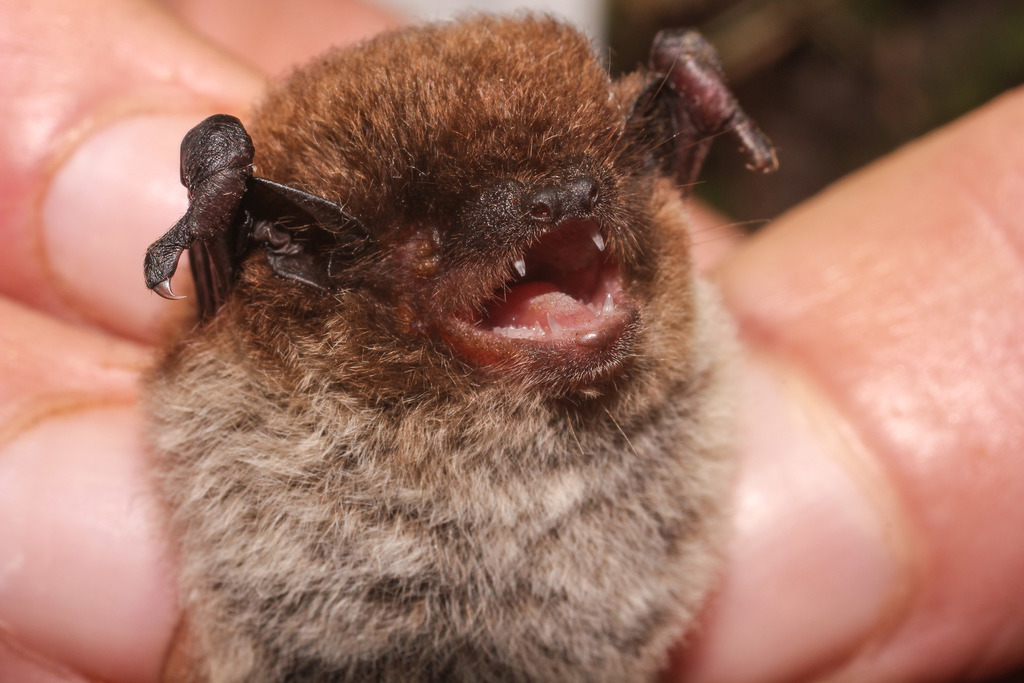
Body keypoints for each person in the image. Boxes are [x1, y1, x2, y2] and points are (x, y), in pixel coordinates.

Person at [1, 1, 1022, 681]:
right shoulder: (272, 354)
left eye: (590, 180)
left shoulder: (667, 308)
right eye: (435, 240)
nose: (571, 200)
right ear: (301, 259)